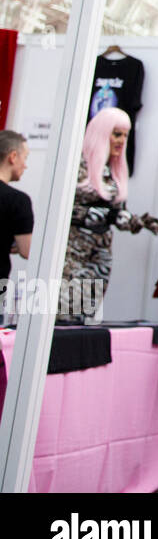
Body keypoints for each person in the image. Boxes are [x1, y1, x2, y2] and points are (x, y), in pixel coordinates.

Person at [62, 108, 158, 323]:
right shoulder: (76, 166)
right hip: (72, 253)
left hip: (100, 253)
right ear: (102, 132)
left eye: (126, 135)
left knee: (86, 315)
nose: (122, 140)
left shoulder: (112, 171)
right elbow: (63, 210)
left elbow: (120, 215)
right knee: (66, 313)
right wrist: (105, 216)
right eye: (117, 134)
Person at [0, 130, 33, 412]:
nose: (25, 165)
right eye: (24, 158)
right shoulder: (18, 201)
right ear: (12, 157)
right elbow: (28, 250)